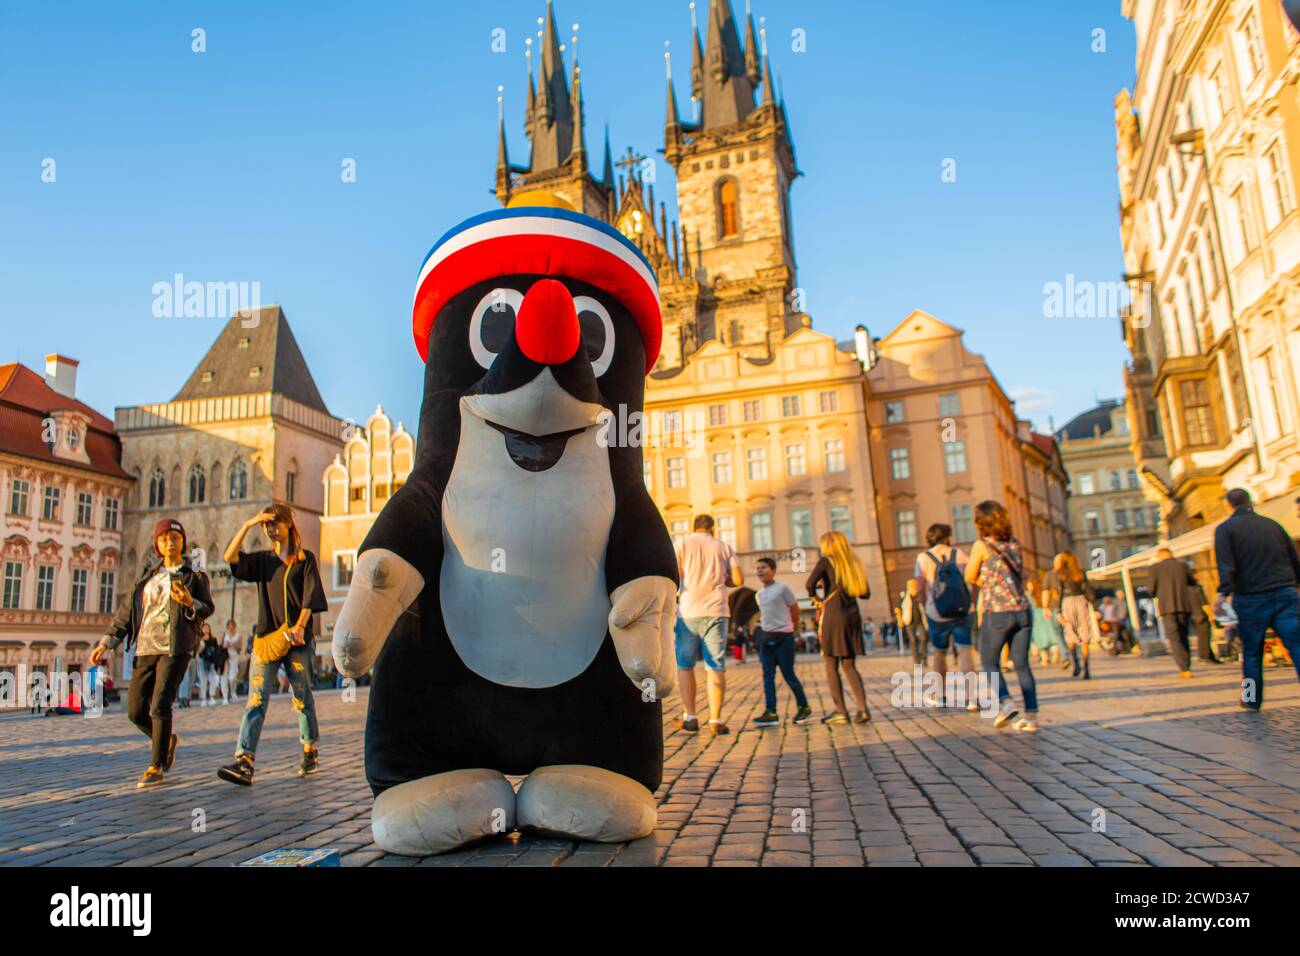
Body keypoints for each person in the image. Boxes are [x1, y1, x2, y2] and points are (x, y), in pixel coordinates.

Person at [89, 519, 213, 788]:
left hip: (176, 646)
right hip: (145, 646)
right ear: (157, 544)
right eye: (165, 537)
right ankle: (166, 740)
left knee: (160, 704)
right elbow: (127, 612)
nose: (171, 541)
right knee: (135, 710)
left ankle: (155, 765)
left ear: (183, 542)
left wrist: (190, 601)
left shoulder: (194, 576)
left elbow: (207, 608)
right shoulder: (148, 577)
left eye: (176, 537)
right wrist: (107, 642)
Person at [217, 502, 329, 785]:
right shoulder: (263, 561)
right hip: (267, 639)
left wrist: (301, 628)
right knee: (256, 699)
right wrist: (248, 524)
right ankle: (245, 760)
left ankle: (309, 748)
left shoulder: (305, 559)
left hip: (297, 640)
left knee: (302, 697)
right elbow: (230, 557)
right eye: (267, 525)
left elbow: (310, 598)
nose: (270, 529)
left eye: (275, 523)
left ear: (289, 523)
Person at [1213, 488, 1300, 711]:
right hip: (1285, 592)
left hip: (1250, 597)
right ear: (1250, 502)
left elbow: (1227, 565)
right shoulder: (1273, 525)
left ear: (1228, 505)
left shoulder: (1225, 530)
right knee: (1297, 646)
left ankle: (1251, 699)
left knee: (1251, 653)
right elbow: (1294, 558)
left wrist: (1223, 593)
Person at [964, 500, 1037, 732]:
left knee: (989, 662)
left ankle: (1006, 702)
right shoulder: (1014, 543)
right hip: (1023, 611)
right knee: (1022, 665)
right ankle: (1032, 718)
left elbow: (969, 575)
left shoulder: (982, 546)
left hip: (997, 612)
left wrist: (984, 581)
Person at [673, 514, 742, 736]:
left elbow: (676, 574)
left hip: (688, 611)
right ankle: (716, 719)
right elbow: (738, 580)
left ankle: (690, 717)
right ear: (712, 529)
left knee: (685, 665)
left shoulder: (682, 543)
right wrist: (723, 580)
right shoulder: (723, 546)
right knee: (715, 665)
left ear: (694, 527)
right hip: (716, 611)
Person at [807, 530, 871, 724]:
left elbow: (809, 584)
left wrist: (817, 600)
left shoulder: (826, 561)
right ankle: (862, 708)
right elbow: (865, 593)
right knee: (849, 665)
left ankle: (840, 711)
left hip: (833, 615)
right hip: (852, 615)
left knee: (830, 664)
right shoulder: (854, 563)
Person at [913, 523, 975, 710]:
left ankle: (940, 695)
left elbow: (920, 589)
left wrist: (926, 607)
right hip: (961, 611)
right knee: (965, 651)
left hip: (936, 613)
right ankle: (971, 697)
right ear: (947, 536)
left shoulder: (923, 558)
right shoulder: (959, 554)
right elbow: (971, 580)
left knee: (939, 653)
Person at [751, 557, 812, 727]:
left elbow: (795, 609)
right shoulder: (759, 594)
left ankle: (804, 706)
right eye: (758, 568)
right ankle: (771, 712)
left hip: (784, 638)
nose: (760, 571)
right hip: (766, 639)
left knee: (788, 675)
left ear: (773, 570)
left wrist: (792, 628)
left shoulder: (782, 588)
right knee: (767, 677)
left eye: (763, 567)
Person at [1149, 547, 1201, 678]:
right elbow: (1192, 583)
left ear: (1160, 556)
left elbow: (1150, 590)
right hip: (1184, 605)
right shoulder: (1183, 566)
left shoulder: (1155, 568)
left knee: (1174, 637)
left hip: (1167, 608)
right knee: (1184, 635)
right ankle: (1187, 665)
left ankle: (1183, 667)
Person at [1054, 550, 1099, 680]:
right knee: (1085, 635)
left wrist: (1058, 611)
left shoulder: (1060, 574)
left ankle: (1076, 665)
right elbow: (1088, 590)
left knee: (1070, 634)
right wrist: (1094, 608)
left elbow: (1060, 593)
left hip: (1067, 603)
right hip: (1081, 602)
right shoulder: (1080, 573)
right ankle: (1086, 667)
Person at [220, 618, 242, 702]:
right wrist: (225, 645)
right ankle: (225, 696)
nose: (231, 627)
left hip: (234, 655)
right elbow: (221, 645)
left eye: (232, 625)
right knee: (224, 676)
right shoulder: (225, 634)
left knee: (232, 677)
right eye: (229, 625)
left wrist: (233, 645)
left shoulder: (238, 635)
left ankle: (233, 692)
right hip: (225, 656)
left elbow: (240, 647)